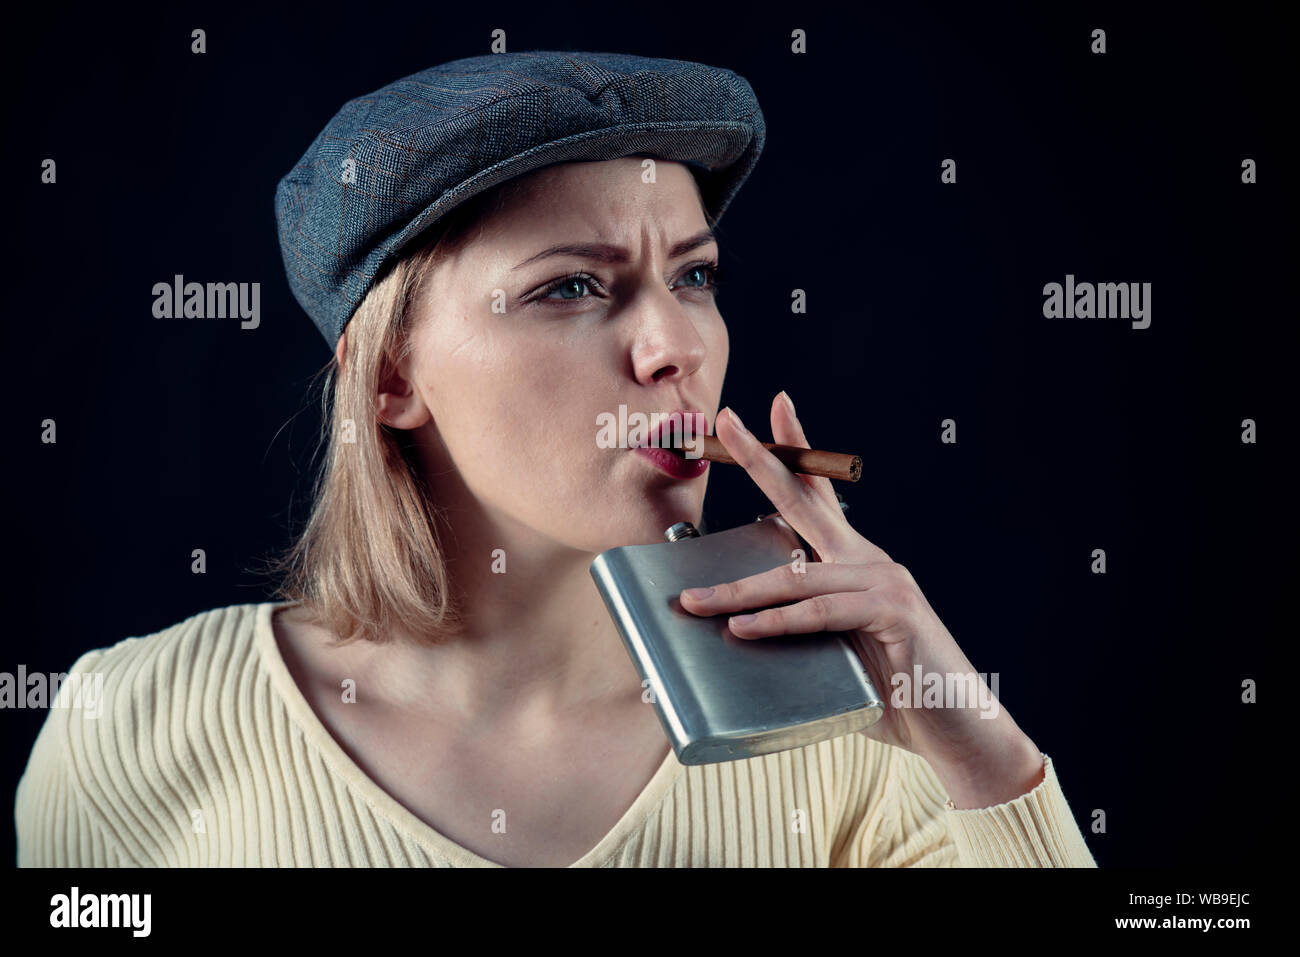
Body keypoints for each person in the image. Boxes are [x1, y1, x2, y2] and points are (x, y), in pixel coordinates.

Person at [15, 51, 1096, 867]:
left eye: (695, 277)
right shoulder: (135, 724)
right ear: (389, 376)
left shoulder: (852, 737)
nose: (675, 347)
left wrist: (976, 748)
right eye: (569, 288)